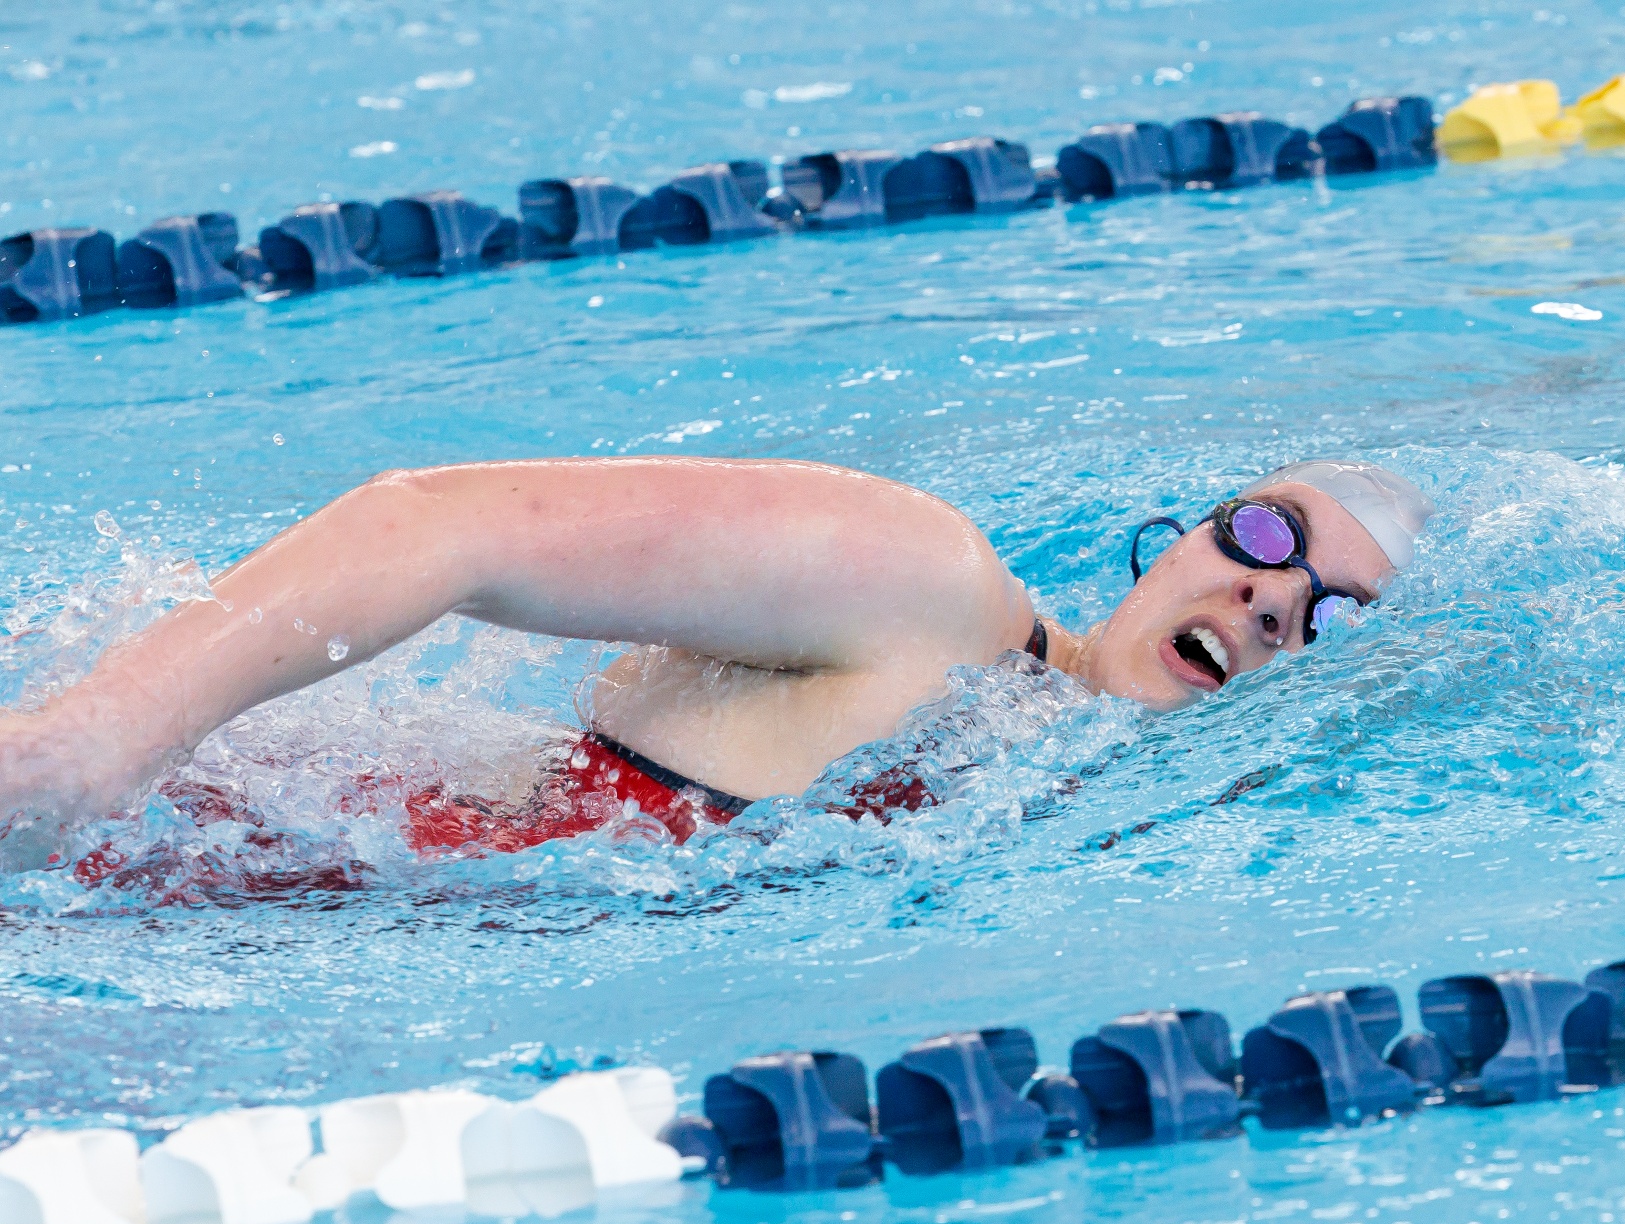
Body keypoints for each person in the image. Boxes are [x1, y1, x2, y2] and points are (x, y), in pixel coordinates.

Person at [0, 455, 1432, 854]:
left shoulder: (1103, 814)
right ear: (1176, 538)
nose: (1272, 601)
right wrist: (90, 746)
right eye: (1267, 534)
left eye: (1331, 614)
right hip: (140, 853)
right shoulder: (929, 589)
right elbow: (433, 526)